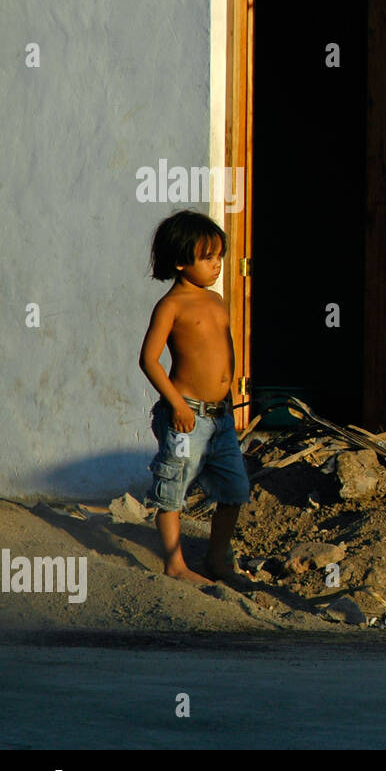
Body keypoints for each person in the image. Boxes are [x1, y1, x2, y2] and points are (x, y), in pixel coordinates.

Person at [138, 210, 250, 584]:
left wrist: (229, 404)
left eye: (219, 256)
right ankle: (175, 566)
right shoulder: (171, 306)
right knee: (172, 491)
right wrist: (179, 405)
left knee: (235, 490)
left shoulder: (216, 300)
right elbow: (149, 360)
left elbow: (224, 354)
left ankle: (217, 561)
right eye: (208, 258)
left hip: (220, 417)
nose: (217, 265)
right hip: (188, 418)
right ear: (181, 263)